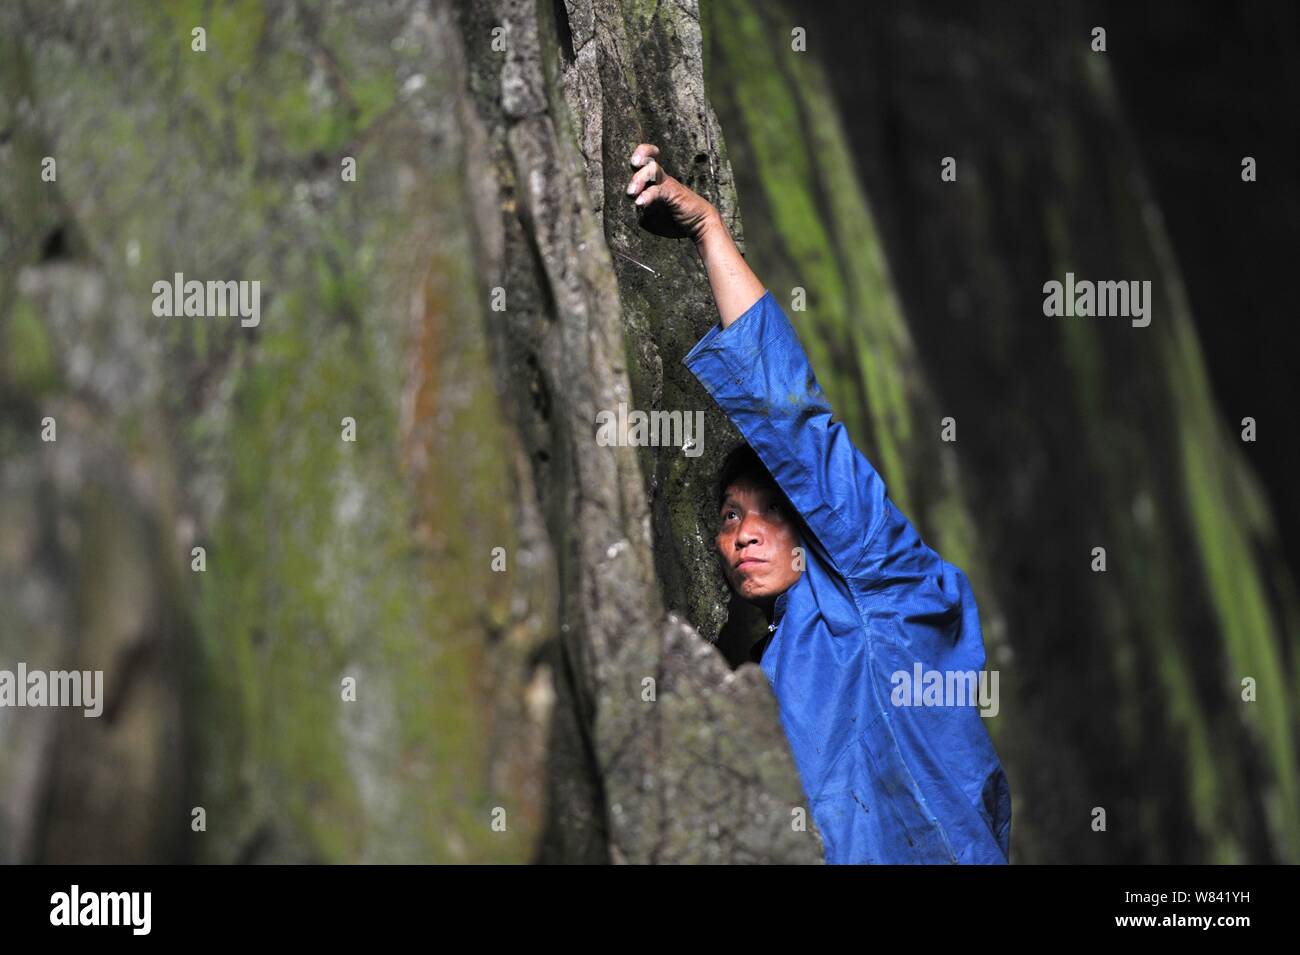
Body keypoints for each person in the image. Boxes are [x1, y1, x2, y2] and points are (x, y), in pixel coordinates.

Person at [626, 142, 1012, 864]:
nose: (743, 532)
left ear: (816, 527)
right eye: (728, 516)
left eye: (770, 509)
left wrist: (710, 228)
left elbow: (795, 424)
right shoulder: (764, 674)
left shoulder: (882, 591)